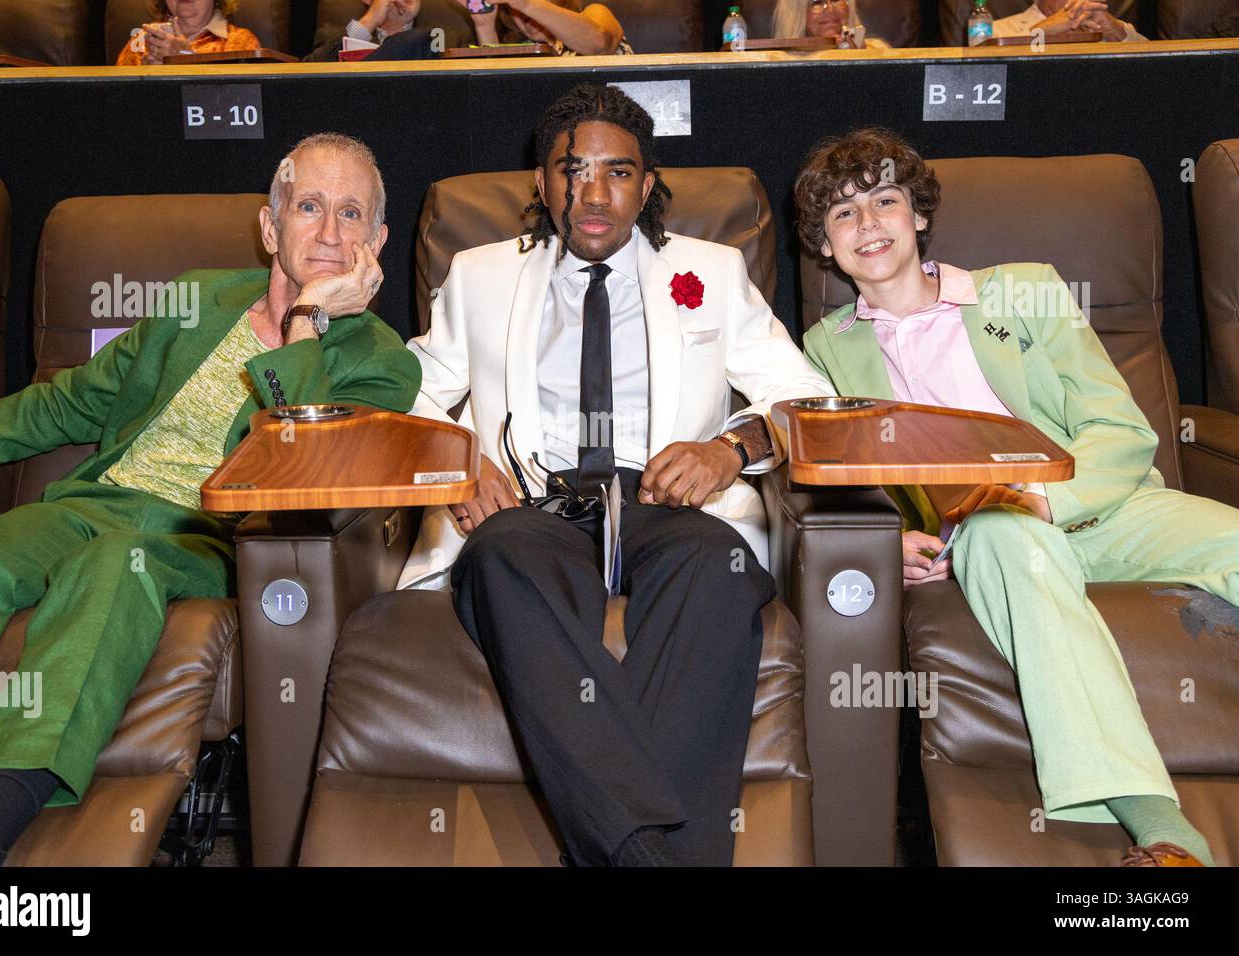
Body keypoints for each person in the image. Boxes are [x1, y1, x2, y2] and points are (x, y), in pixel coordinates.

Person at [0, 134, 421, 867]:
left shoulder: (381, 360)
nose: (328, 233)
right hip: (94, 502)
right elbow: (78, 400)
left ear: (377, 242)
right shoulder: (197, 298)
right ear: (271, 225)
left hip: (207, 535)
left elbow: (297, 465)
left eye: (351, 214)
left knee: (112, 570)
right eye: (310, 207)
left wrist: (306, 324)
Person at [400, 83, 831, 865]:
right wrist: (458, 464)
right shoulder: (480, 274)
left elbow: (812, 401)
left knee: (718, 565)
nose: (593, 194)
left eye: (619, 173)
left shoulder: (713, 270)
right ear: (542, 183)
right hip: (537, 506)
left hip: (671, 502)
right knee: (501, 560)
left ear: (647, 184)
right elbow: (406, 400)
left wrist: (729, 450)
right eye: (573, 171)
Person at [793, 127, 1238, 867]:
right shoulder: (825, 349)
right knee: (1007, 534)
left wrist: (1046, 499)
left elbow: (1120, 428)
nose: (867, 223)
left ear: (919, 216)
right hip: (988, 533)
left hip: (1097, 504)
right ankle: (1165, 830)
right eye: (842, 213)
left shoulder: (1022, 288)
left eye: (884, 200)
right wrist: (884, 538)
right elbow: (837, 479)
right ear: (822, 244)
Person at [455, 0, 632, 55]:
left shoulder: (594, 12)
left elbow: (599, 43)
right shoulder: (522, 49)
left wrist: (527, 5)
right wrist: (485, 26)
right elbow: (495, 90)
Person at [115, 0, 261, 65]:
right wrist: (147, 79)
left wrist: (186, 58)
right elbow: (117, 102)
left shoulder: (241, 41)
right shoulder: (142, 40)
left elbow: (238, 101)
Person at [304, 0, 441, 62]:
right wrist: (370, 21)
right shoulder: (331, 36)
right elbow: (306, 76)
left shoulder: (448, 35)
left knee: (416, 38)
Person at [991, 0, 1147, 42]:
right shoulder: (997, 31)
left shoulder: (1114, 30)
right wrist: (1042, 31)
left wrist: (1118, 32)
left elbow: (1163, 70)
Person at [771, 0, 890, 48]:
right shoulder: (779, 61)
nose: (830, 10)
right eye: (816, 2)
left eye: (836, 0)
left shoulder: (879, 51)